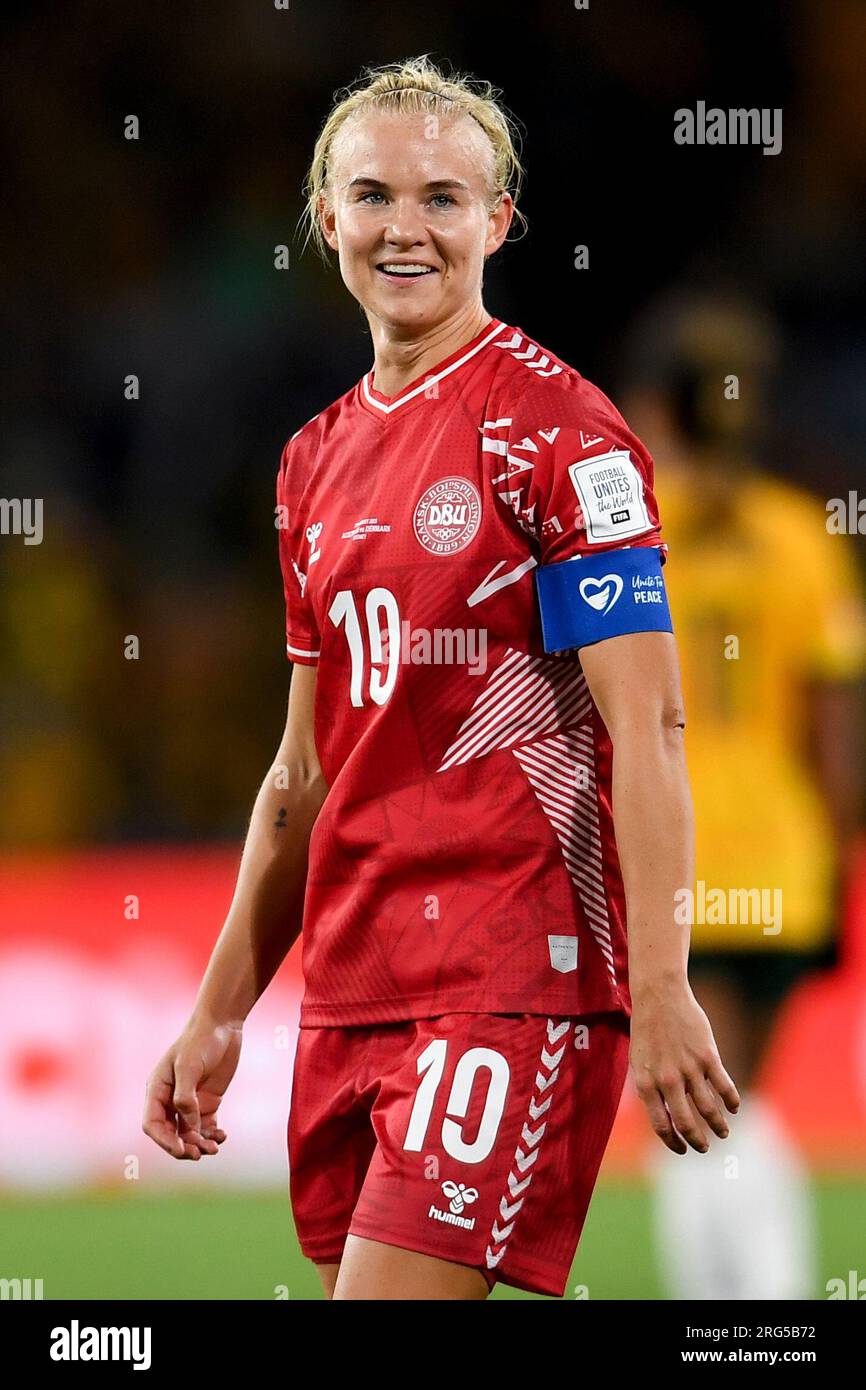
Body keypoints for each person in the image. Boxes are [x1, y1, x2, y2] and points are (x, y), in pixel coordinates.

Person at [142, 55, 739, 1302]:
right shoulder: (309, 463)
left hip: (510, 976)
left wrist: (664, 978)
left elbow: (654, 725)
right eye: (371, 195)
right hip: (355, 981)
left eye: (441, 199)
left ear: (497, 222)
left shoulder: (562, 438)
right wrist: (217, 1009)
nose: (403, 228)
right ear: (324, 220)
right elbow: (303, 770)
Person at [620, 290, 866, 1298]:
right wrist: (832, 850)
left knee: (688, 1109)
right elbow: (837, 736)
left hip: (673, 857)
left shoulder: (627, 536)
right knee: (740, 1100)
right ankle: (766, 1317)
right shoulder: (800, 536)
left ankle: (744, 1317)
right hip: (785, 854)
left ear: (654, 409)